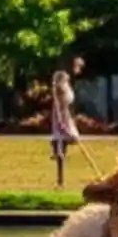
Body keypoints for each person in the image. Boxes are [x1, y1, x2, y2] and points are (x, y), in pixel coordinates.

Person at [49, 59, 83, 187]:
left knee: (72, 139)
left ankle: (56, 149)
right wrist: (60, 121)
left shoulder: (68, 84)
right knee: (62, 144)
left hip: (67, 117)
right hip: (61, 118)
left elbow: (69, 106)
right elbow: (57, 106)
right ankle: (60, 180)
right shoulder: (59, 86)